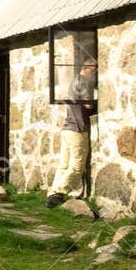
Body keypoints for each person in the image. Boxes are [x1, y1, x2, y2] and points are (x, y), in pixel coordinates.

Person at [46, 57, 96, 208]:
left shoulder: (74, 81)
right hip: (78, 129)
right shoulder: (84, 82)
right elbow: (87, 105)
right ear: (89, 69)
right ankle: (59, 193)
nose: (95, 75)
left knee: (64, 164)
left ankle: (52, 193)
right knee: (76, 165)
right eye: (95, 71)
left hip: (67, 128)